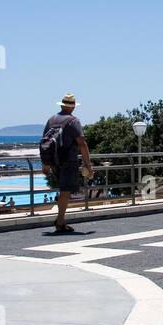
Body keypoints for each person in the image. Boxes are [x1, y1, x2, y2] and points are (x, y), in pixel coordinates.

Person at [42, 93, 93, 233]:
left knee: (62, 190)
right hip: (68, 160)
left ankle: (60, 220)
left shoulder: (51, 119)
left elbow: (44, 141)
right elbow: (82, 144)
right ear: (73, 107)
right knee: (65, 192)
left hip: (54, 160)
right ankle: (60, 222)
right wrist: (88, 165)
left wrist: (45, 163)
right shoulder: (73, 121)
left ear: (62, 105)